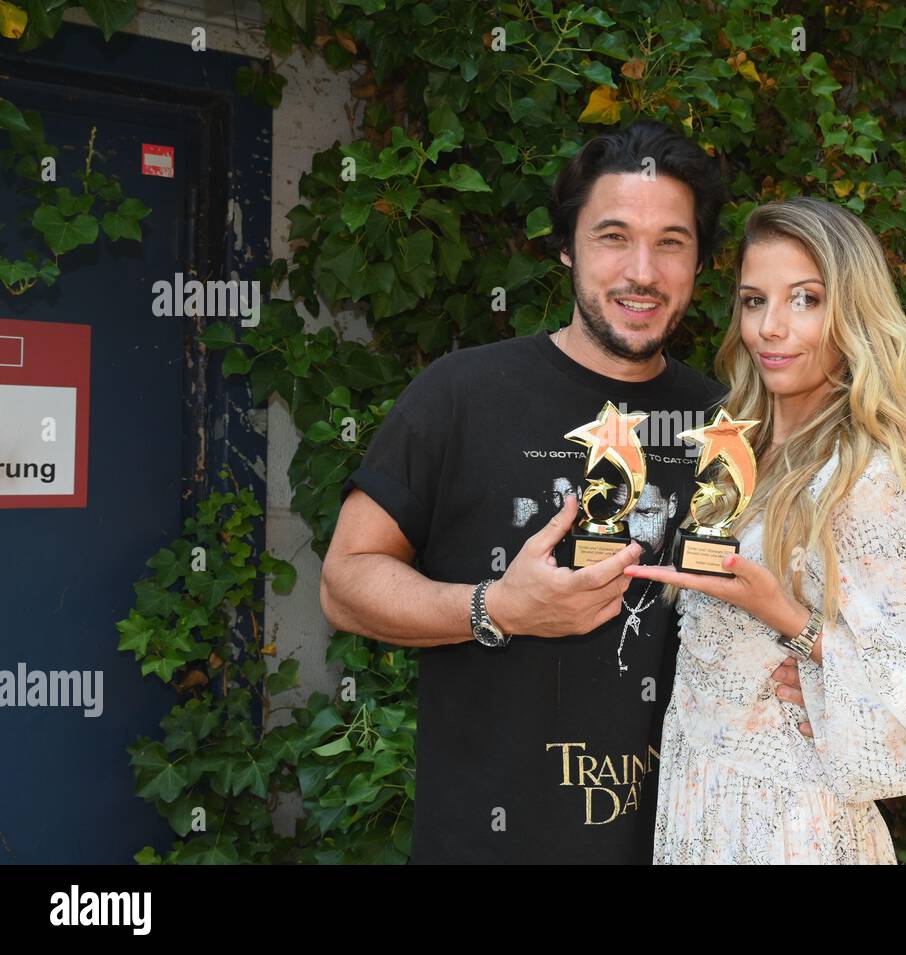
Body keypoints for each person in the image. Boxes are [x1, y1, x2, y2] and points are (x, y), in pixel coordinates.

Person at [319, 118, 807, 864]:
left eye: (671, 243)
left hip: (684, 845)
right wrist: (497, 606)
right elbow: (345, 582)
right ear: (566, 247)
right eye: (613, 236)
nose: (641, 271)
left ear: (701, 264)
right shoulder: (461, 394)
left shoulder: (731, 427)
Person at [624, 197, 906, 864]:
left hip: (792, 827)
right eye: (755, 301)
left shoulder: (864, 473)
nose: (771, 327)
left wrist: (798, 625)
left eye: (805, 299)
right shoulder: (730, 447)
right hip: (700, 805)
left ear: (849, 310)